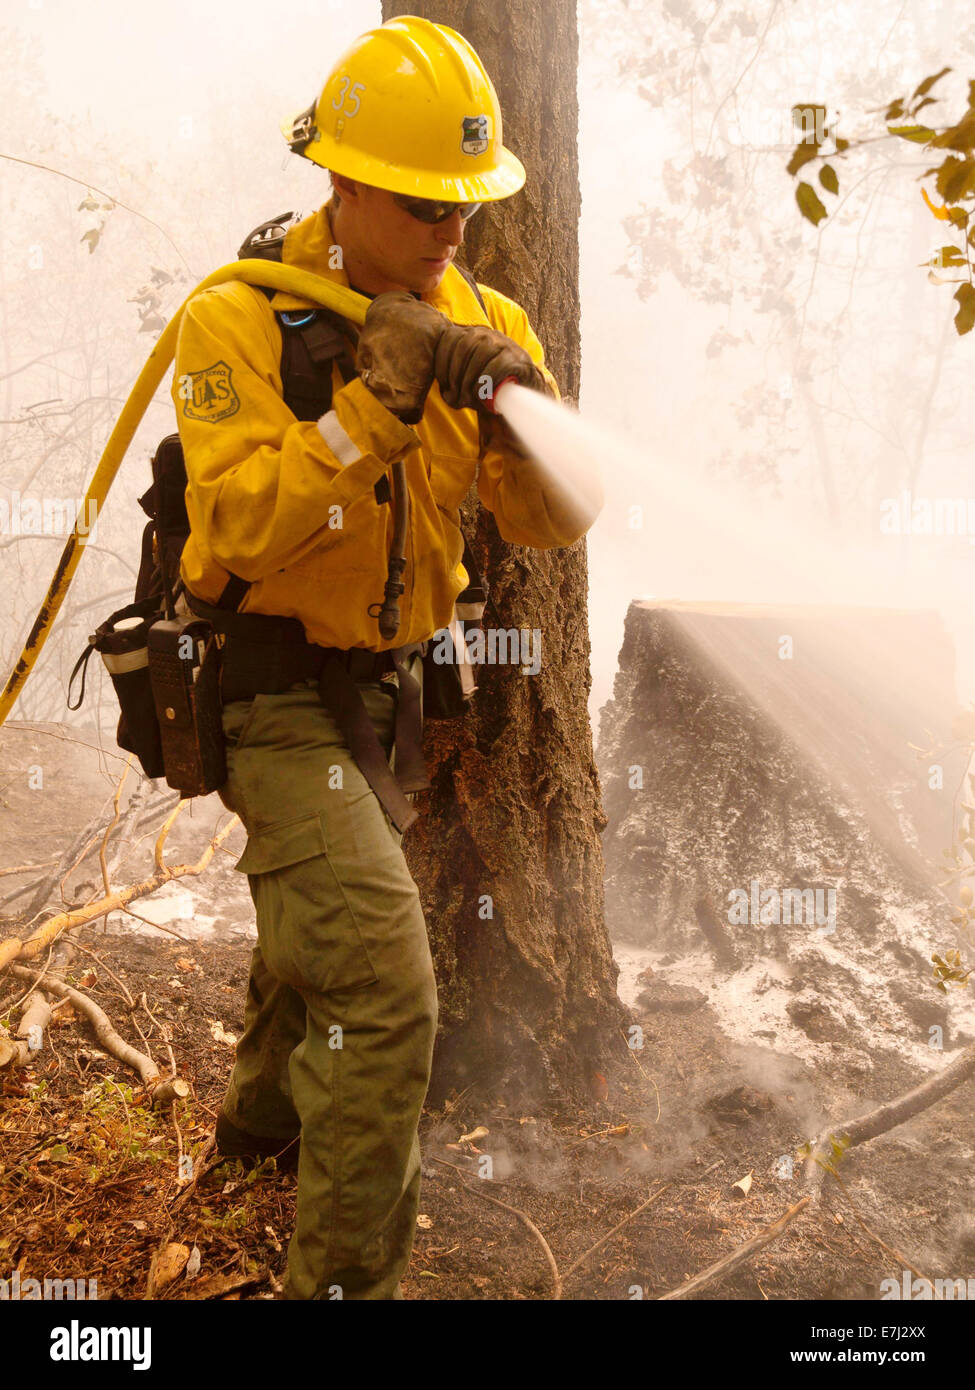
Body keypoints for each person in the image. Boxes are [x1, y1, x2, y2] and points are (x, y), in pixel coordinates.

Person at [170, 14, 601, 1300]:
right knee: (384, 988)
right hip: (266, 689)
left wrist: (525, 431)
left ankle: (251, 1145)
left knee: (317, 942)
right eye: (420, 203)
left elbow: (554, 526)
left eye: (466, 206)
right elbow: (236, 524)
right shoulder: (237, 320)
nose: (450, 232)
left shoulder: (486, 314)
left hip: (389, 692)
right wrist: (369, 408)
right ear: (342, 182)